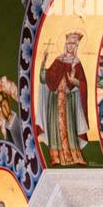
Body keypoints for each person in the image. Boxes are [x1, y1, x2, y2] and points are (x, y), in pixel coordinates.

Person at [38, 31, 90, 165]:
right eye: (68, 43)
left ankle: (75, 156)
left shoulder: (77, 63)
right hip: (55, 100)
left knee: (70, 128)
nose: (70, 46)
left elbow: (83, 84)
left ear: (77, 45)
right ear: (65, 44)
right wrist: (43, 63)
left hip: (68, 100)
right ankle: (55, 157)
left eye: (73, 43)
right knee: (55, 127)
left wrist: (74, 81)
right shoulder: (58, 60)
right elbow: (45, 79)